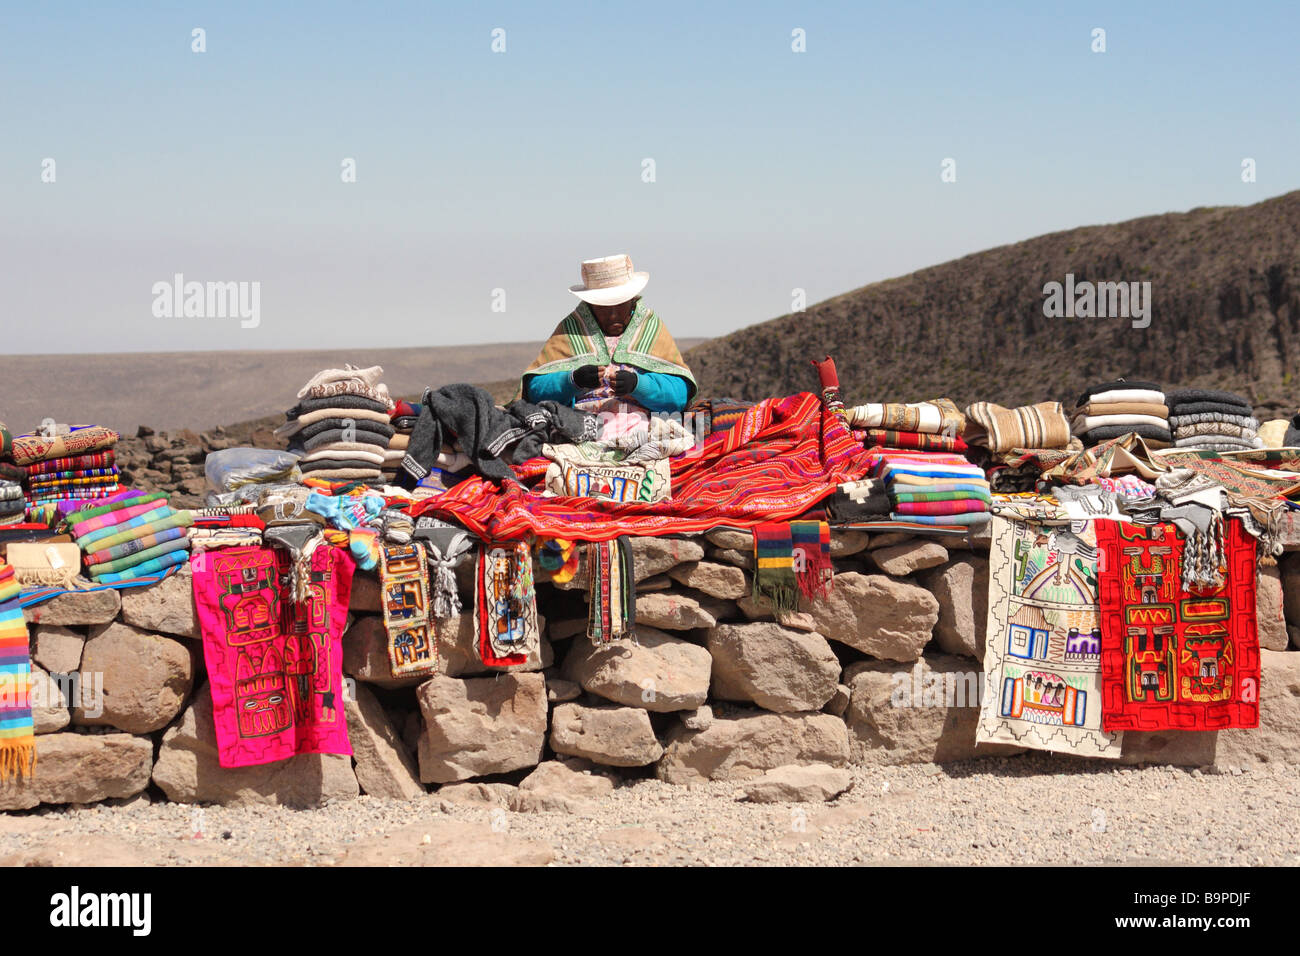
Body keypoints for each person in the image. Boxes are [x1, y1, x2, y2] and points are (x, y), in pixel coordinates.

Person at [519, 255, 696, 416]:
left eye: (620, 305)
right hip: (576, 423)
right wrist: (573, 380)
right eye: (603, 308)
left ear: (632, 300)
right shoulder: (570, 330)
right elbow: (535, 391)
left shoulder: (651, 328)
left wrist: (638, 384)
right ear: (590, 305)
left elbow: (679, 395)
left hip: (642, 424)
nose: (613, 315)